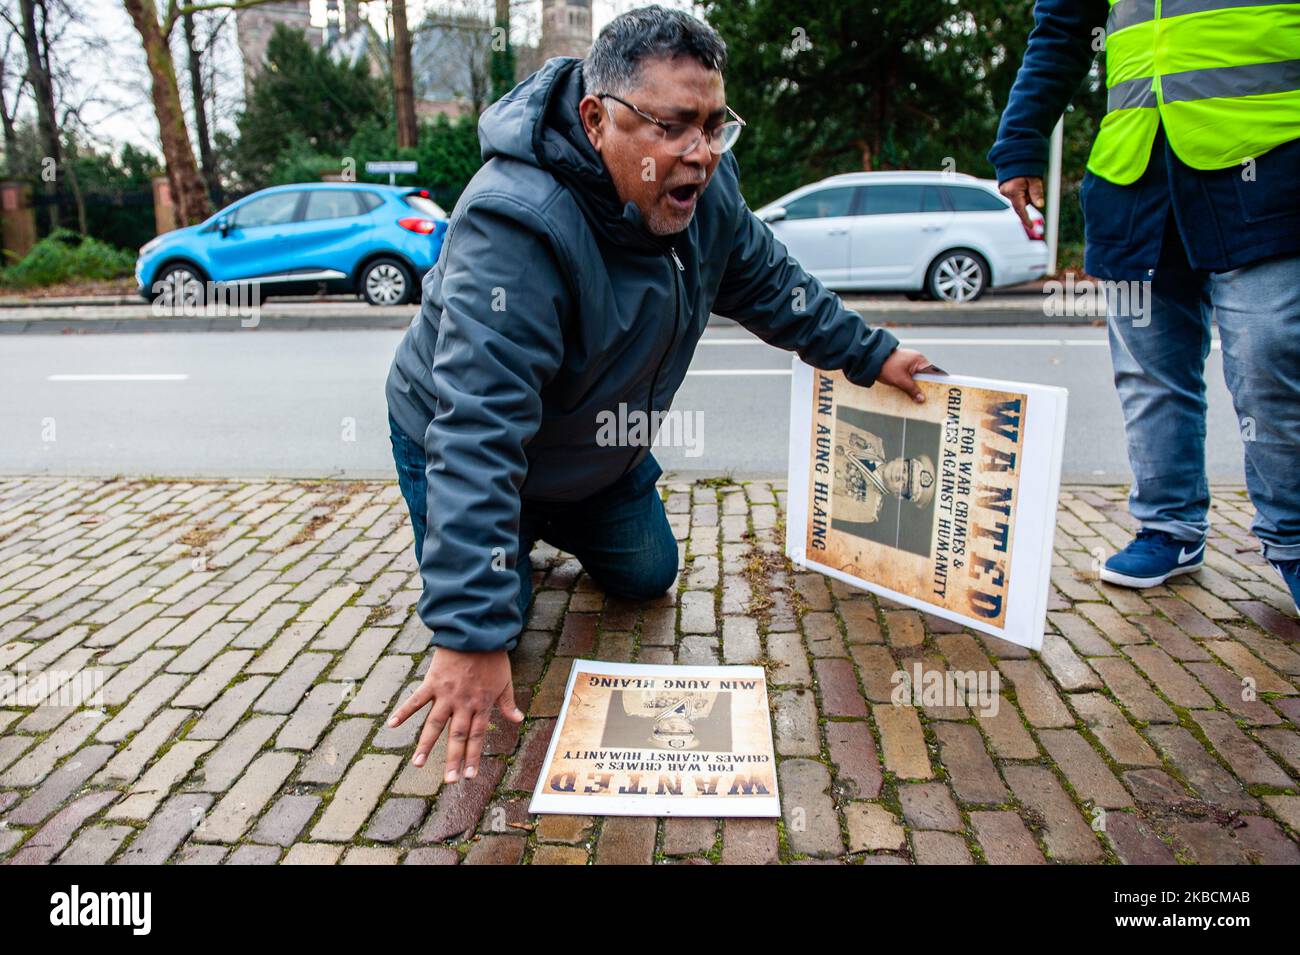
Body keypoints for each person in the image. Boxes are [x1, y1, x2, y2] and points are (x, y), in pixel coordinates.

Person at [383, 6, 935, 784]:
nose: (701, 153)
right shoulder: (513, 224)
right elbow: (476, 430)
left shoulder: (706, 192)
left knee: (649, 573)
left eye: (714, 125)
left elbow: (774, 286)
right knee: (496, 636)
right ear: (597, 118)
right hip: (455, 437)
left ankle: (538, 523)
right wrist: (468, 633)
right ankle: (506, 549)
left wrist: (874, 354)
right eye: (676, 126)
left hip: (593, 451)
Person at [989, 0, 1300, 607]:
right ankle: (1170, 526)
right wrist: (1021, 142)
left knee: (1270, 359)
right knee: (1148, 369)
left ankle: (1294, 540)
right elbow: (1060, 28)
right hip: (1137, 174)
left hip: (1268, 160)